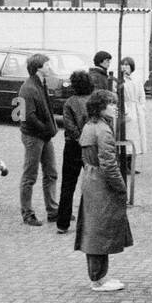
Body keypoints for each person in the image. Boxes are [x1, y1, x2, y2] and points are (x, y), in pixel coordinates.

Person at [74, 89, 133, 292]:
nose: (116, 107)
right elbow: (109, 164)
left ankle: (98, 276)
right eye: (111, 104)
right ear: (101, 107)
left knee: (94, 227)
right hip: (101, 183)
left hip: (91, 179)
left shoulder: (90, 126)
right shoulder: (103, 130)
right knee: (100, 229)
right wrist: (121, 186)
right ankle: (97, 278)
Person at [18, 52, 59, 226]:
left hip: (44, 136)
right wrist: (46, 130)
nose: (50, 67)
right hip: (34, 137)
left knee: (51, 173)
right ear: (39, 68)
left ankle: (52, 210)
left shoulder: (40, 84)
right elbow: (29, 116)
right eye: (47, 65)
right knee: (30, 175)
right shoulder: (28, 88)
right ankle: (27, 213)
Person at [55, 69, 94, 233]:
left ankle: (63, 223)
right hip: (90, 146)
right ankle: (89, 221)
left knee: (68, 185)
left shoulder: (69, 102)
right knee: (91, 183)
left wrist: (78, 138)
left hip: (72, 146)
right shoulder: (93, 101)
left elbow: (69, 126)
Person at [119, 56, 147, 174]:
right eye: (123, 65)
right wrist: (124, 109)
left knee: (136, 138)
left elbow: (142, 96)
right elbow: (119, 96)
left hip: (137, 111)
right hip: (126, 110)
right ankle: (123, 165)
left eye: (127, 65)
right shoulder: (120, 81)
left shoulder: (137, 80)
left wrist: (141, 108)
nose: (125, 67)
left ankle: (131, 165)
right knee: (126, 136)